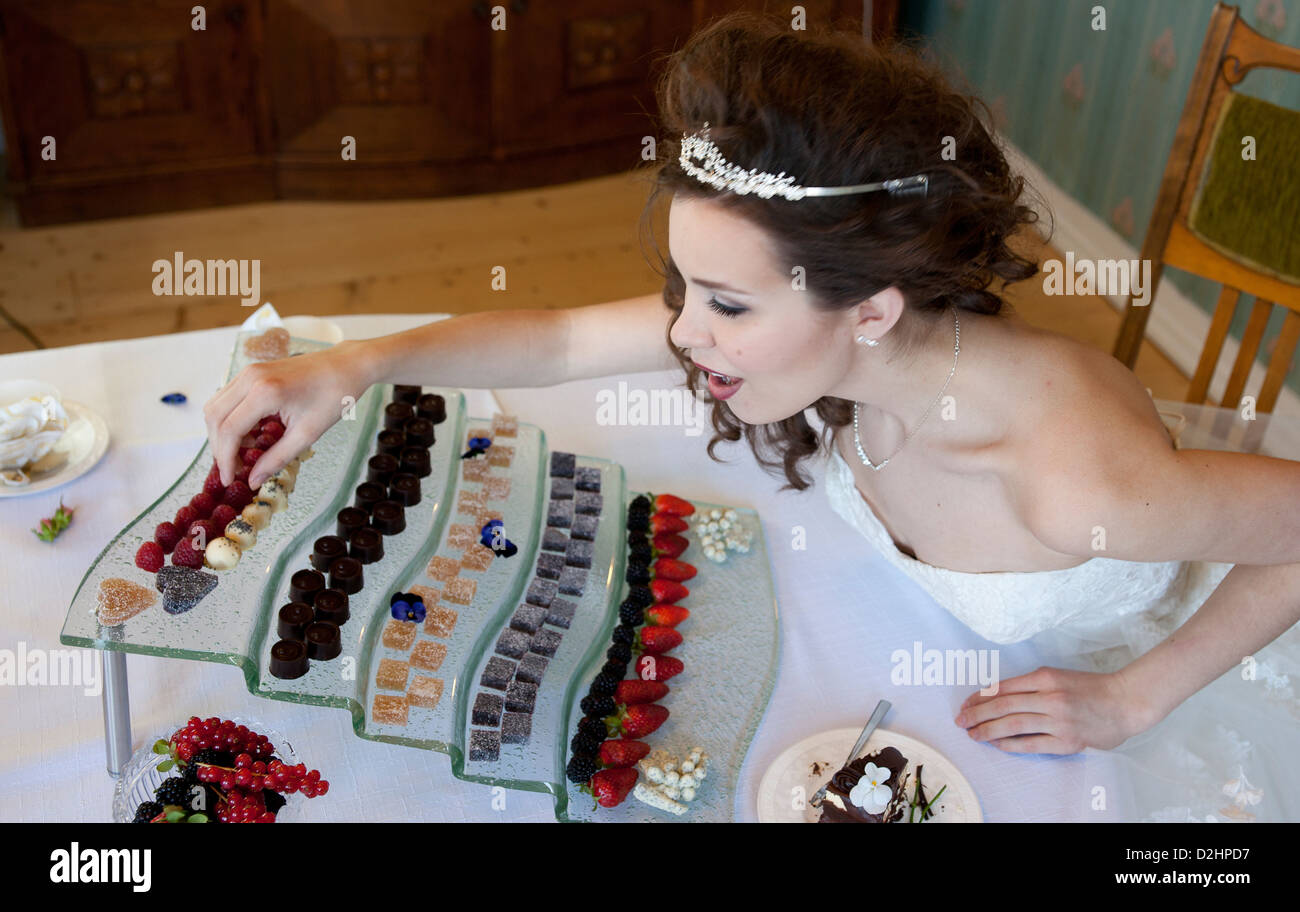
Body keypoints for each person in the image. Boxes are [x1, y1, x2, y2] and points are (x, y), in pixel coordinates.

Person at [205, 12, 1300, 820]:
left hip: (1118, 693)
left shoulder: (1075, 481)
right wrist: (354, 363)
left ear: (868, 308)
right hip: (909, 643)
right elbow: (559, 342)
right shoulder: (857, 342)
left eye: (726, 306)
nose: (685, 333)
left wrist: (1130, 699)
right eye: (685, 289)